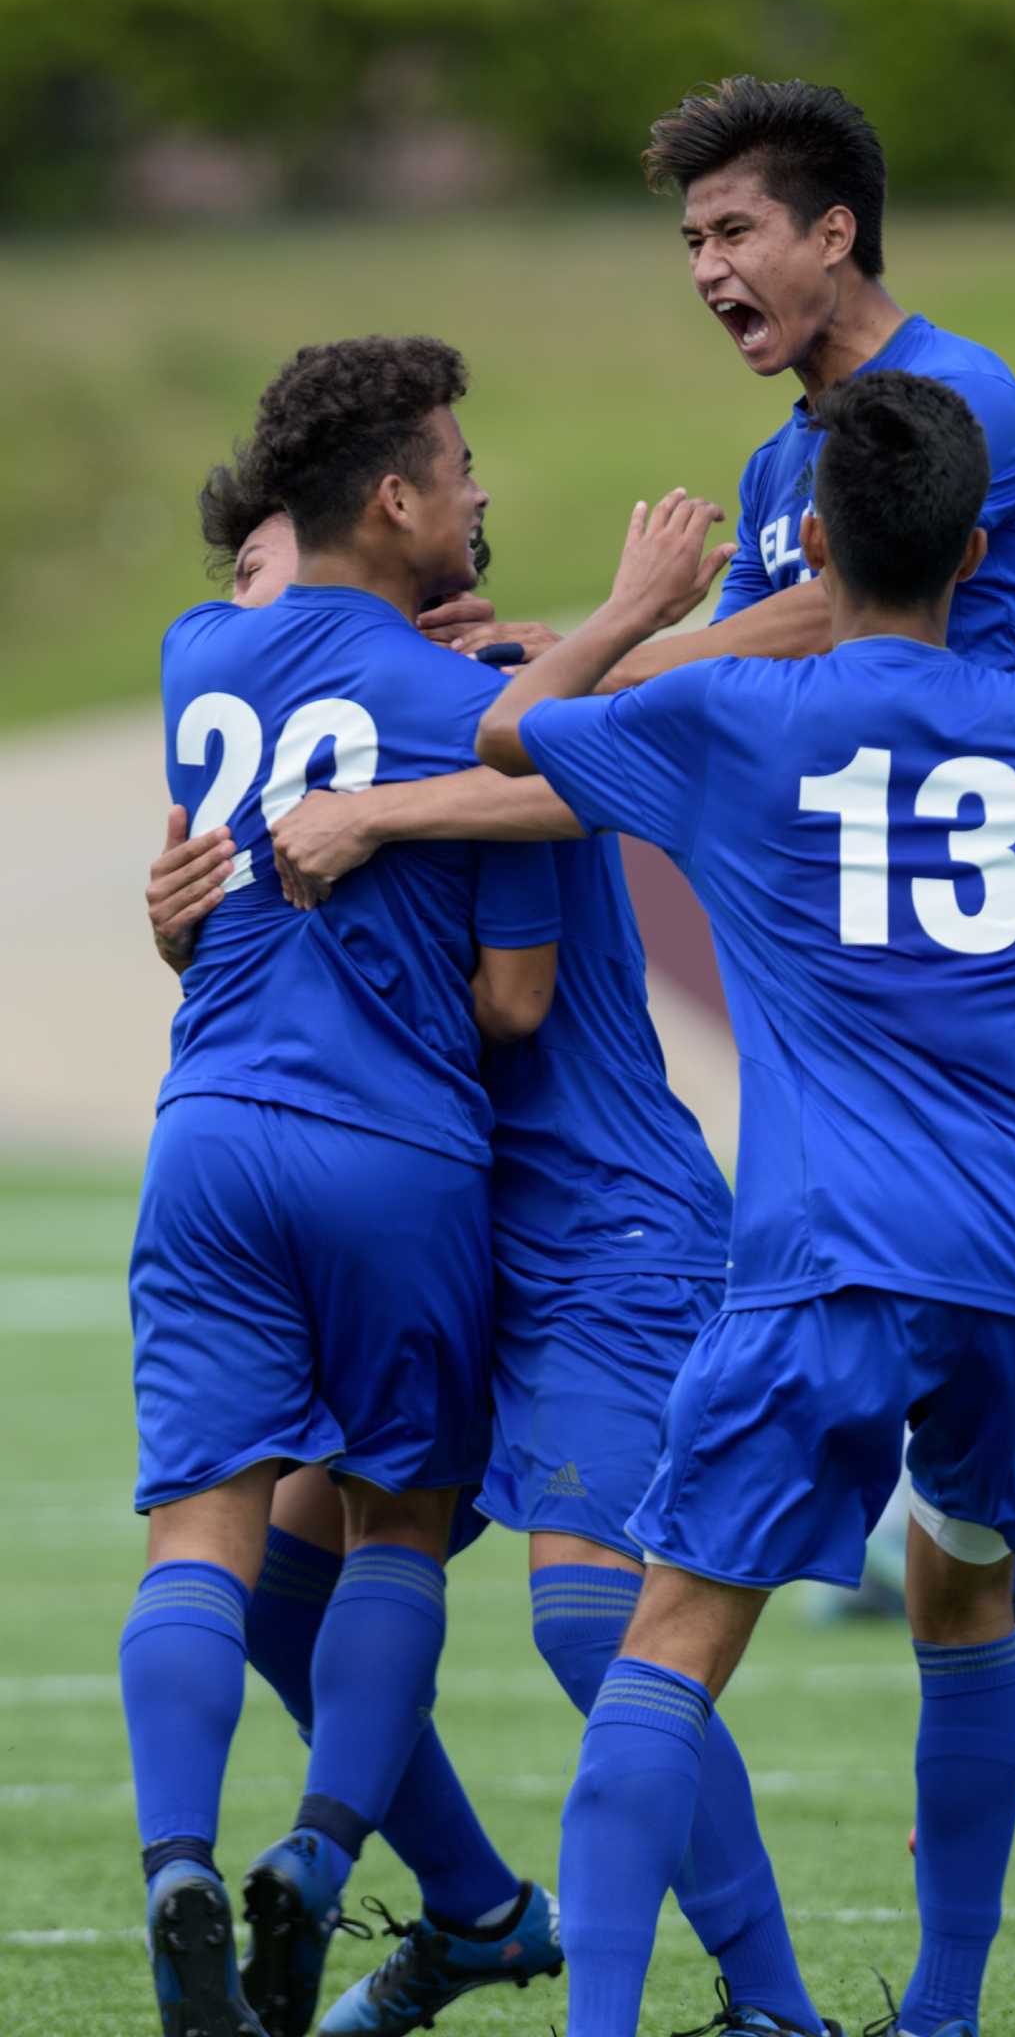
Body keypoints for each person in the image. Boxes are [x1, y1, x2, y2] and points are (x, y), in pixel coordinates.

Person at [472, 371, 1015, 2037]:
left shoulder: (734, 717)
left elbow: (508, 733)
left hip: (823, 1258)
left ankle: (602, 2023)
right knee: (967, 1607)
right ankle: (940, 2015)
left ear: (819, 548)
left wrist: (635, 612)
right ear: (977, 550)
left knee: (671, 1637)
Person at [457, 71, 1015, 1812]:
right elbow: (727, 679)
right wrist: (552, 678)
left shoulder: (959, 400)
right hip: (901, 928)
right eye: (689, 241)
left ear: (833, 231)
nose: (707, 270)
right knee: (1005, 1284)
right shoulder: (772, 461)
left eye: (734, 230)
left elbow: (788, 631)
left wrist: (580, 655)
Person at [148, 488, 834, 2037]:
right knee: (283, 1596)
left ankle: (772, 2003)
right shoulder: (315, 756)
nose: (248, 610)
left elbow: (512, 989)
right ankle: (470, 1915)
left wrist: (581, 653)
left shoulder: (497, 722)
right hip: (442, 1236)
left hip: (597, 1226)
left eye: (261, 574)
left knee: (591, 1623)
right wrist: (195, 933)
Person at [125, 333, 566, 2037]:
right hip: (395, 1152)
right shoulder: (473, 715)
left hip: (208, 1135)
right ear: (392, 500)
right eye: (458, 470)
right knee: (394, 1528)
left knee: (200, 1533)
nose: (476, 494)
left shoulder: (196, 656)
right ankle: (314, 1855)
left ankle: (175, 1860)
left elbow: (199, 884)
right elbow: (514, 1004)